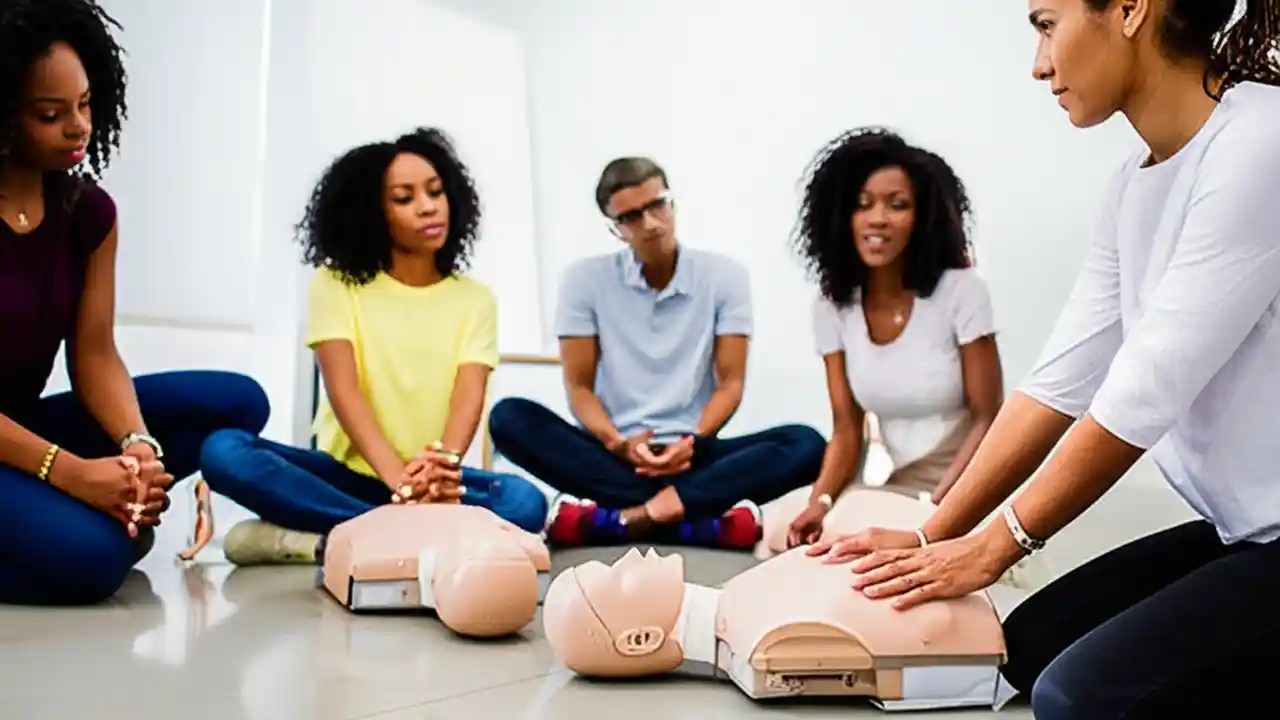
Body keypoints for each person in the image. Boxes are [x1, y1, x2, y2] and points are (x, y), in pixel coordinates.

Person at [806, 1, 1280, 717]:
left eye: (1046, 24)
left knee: (1077, 698)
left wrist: (1001, 545)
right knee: (1025, 644)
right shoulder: (1131, 184)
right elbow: (1059, 382)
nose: (1038, 64)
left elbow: (1144, 390)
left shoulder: (1259, 144)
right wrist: (935, 535)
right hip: (1243, 531)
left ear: (1128, 10)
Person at [0, 0, 269, 605]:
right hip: (21, 448)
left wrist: (135, 449)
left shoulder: (88, 214)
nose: (78, 126)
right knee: (95, 561)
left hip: (22, 428)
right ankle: (80, 529)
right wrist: (71, 474)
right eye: (51, 113)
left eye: (86, 104)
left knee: (234, 401)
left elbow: (94, 354)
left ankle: (76, 520)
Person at [199, 127, 549, 565]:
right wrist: (401, 486)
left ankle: (328, 541)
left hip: (433, 485)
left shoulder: (475, 299)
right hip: (348, 476)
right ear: (374, 213)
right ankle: (417, 535)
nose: (427, 206)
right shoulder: (336, 284)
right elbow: (344, 392)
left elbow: (468, 396)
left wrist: (440, 472)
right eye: (404, 199)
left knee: (524, 502)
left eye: (435, 192)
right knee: (224, 451)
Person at [488, 157, 826, 550]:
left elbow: (730, 383)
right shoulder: (585, 280)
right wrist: (619, 443)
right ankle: (696, 516)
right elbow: (579, 388)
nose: (650, 223)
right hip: (614, 452)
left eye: (657, 205)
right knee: (509, 417)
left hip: (694, 451)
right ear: (616, 229)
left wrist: (694, 442)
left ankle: (628, 519)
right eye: (631, 217)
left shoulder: (723, 276)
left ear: (672, 204)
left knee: (806, 444)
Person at [785, 128, 1004, 548]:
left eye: (897, 205)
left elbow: (988, 418)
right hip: (895, 487)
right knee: (791, 528)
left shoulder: (962, 292)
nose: (878, 218)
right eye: (862, 205)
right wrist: (822, 500)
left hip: (966, 487)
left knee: (845, 539)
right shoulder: (833, 306)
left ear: (923, 217)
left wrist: (946, 505)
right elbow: (848, 429)